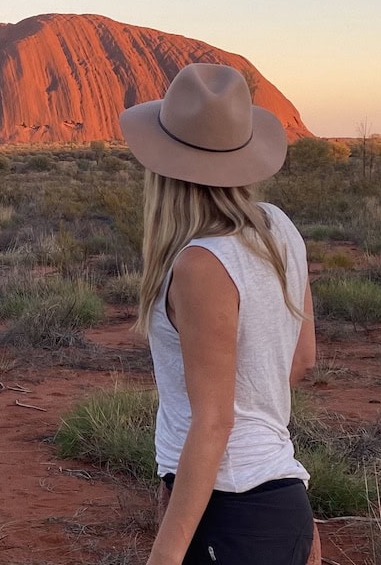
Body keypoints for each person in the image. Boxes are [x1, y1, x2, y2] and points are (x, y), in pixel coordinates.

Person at [119, 63, 319, 565]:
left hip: (228, 514)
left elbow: (213, 423)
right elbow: (303, 360)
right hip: (281, 500)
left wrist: (163, 555)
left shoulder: (201, 263)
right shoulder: (279, 228)